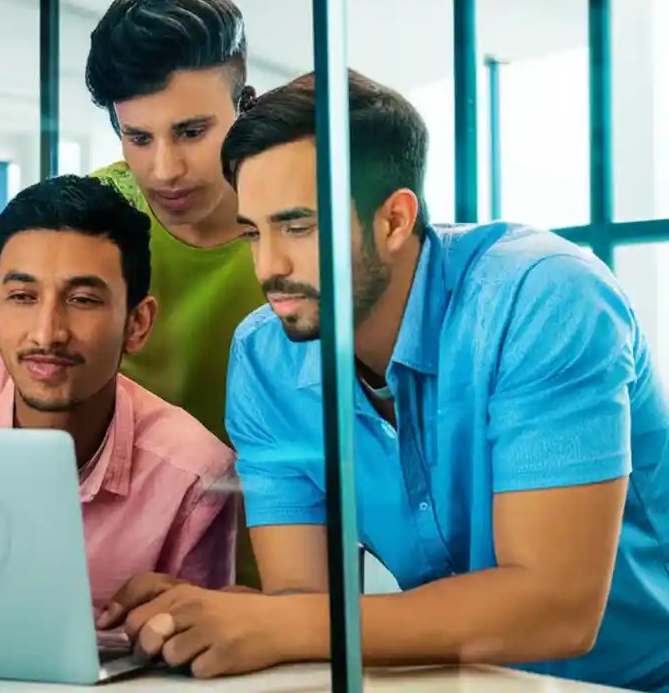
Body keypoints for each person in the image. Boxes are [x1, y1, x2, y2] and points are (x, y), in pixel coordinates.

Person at [98, 71, 669, 691]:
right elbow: (302, 601)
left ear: (395, 219)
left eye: (298, 227)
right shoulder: (266, 358)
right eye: (254, 232)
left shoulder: (544, 299)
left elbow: (554, 609)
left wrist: (283, 621)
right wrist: (204, 614)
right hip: (466, 682)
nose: (269, 267)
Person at [0, 174, 239, 613]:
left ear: (137, 324)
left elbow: (194, 649)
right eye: (23, 296)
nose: (47, 332)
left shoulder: (194, 474)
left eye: (83, 299)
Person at [85, 0, 267, 587]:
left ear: (247, 106)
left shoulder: (302, 224)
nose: (164, 169)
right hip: (114, 574)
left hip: (275, 572)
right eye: (138, 137)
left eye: (191, 132)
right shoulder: (92, 215)